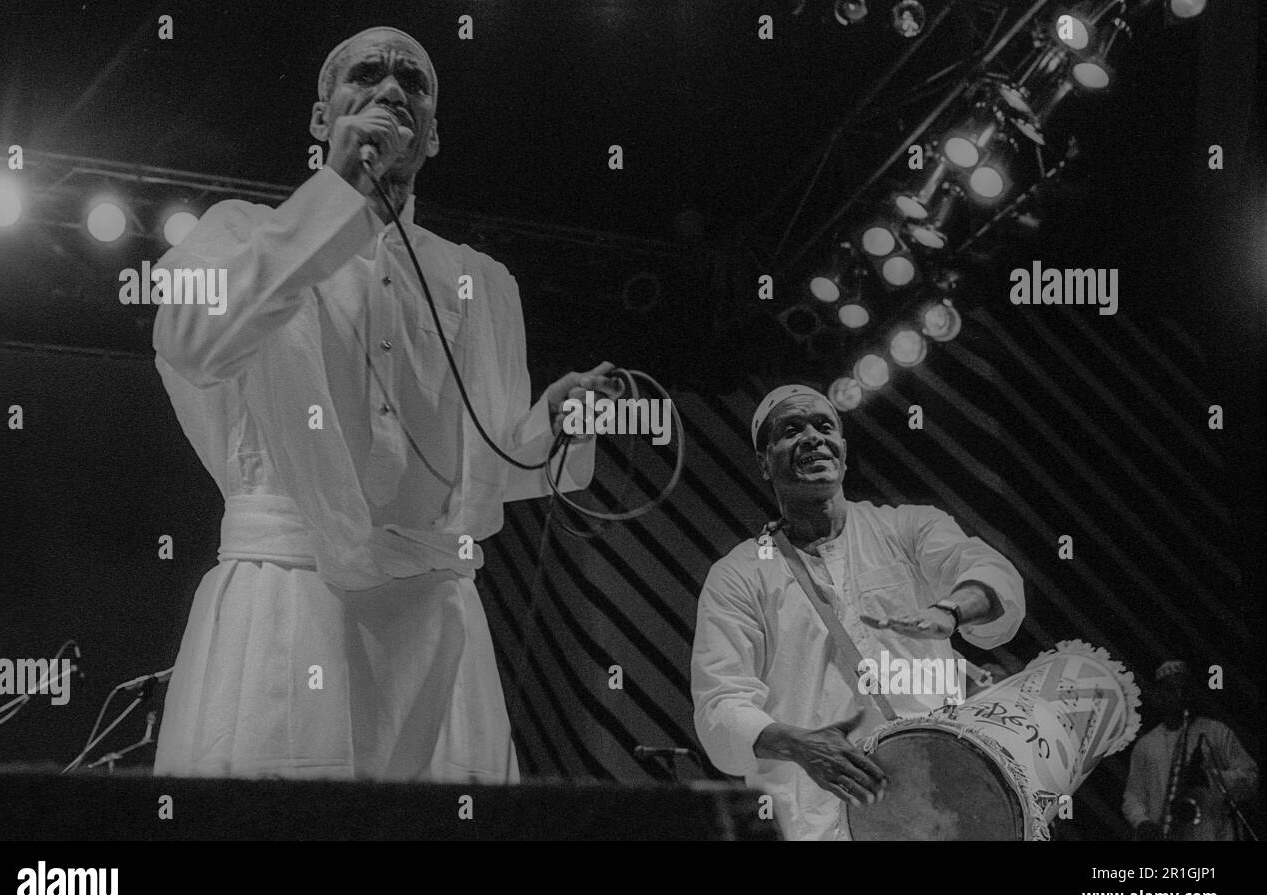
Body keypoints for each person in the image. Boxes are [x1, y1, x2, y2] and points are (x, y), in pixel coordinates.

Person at [150, 26, 618, 782]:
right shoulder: (236, 232)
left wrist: (551, 431)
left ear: (433, 135)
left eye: (414, 81)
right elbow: (193, 340)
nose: (392, 88)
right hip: (289, 599)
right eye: (365, 73)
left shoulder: (484, 280)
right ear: (319, 116)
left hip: (436, 615)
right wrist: (334, 201)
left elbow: (490, 473)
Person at [691, 384, 1025, 840]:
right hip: (817, 818)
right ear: (764, 462)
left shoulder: (908, 527)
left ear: (843, 452)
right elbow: (719, 706)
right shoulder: (739, 574)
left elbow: (993, 575)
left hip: (940, 810)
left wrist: (949, 611)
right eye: (791, 430)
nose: (812, 437)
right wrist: (801, 745)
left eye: (824, 426)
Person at [1122, 660, 1257, 841]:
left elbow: (1251, 778)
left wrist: (1210, 778)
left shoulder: (1216, 732)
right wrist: (1142, 822)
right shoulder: (1146, 745)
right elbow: (1133, 795)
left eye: (1184, 690)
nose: (1179, 695)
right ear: (1160, 694)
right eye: (1171, 690)